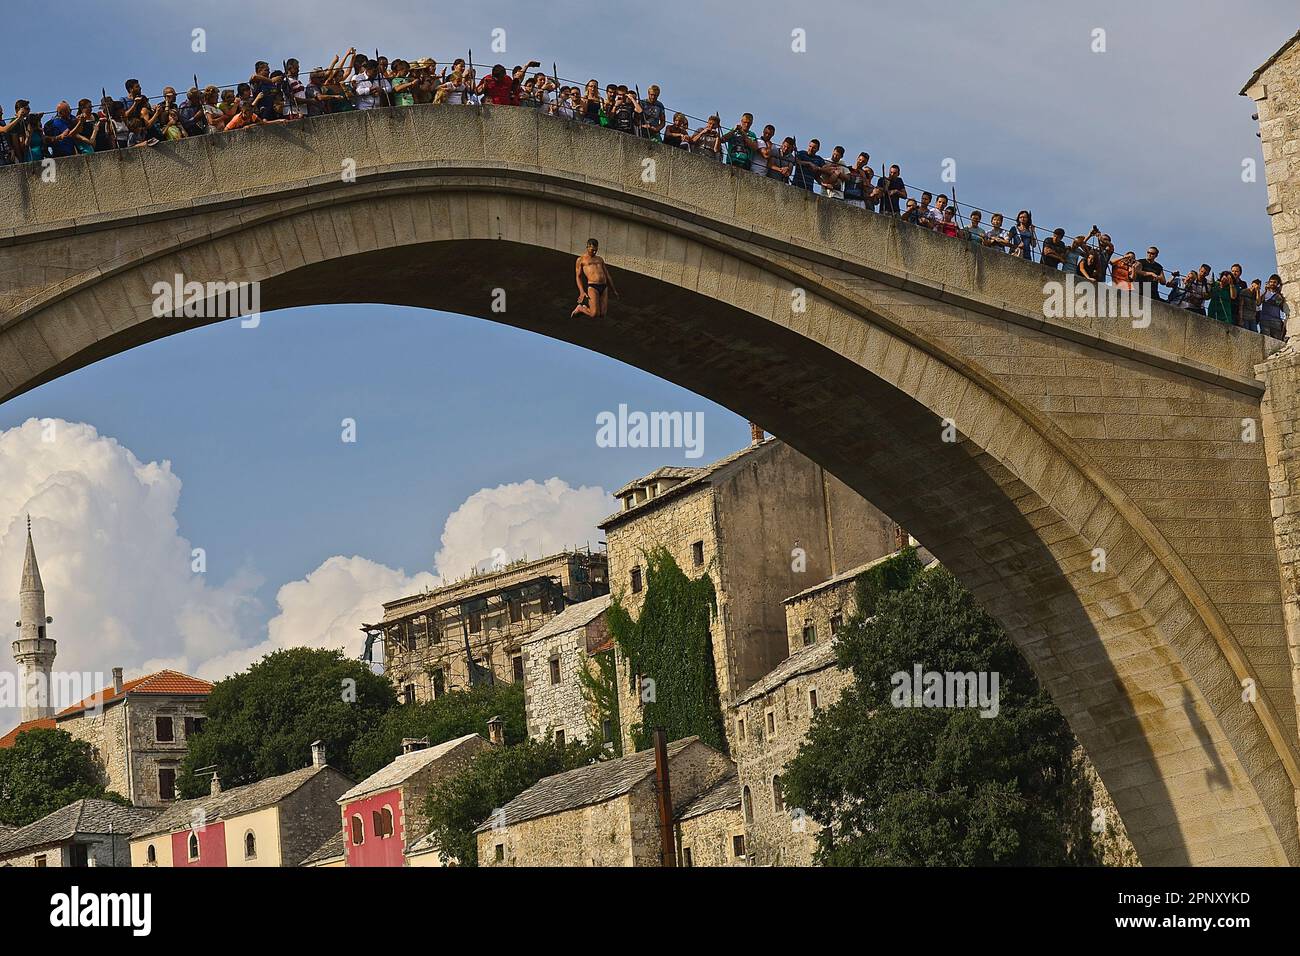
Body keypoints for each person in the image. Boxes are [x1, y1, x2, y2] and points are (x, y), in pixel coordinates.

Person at [572, 238, 619, 319]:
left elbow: (607, 275)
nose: (594, 252)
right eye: (592, 250)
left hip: (604, 287)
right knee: (594, 314)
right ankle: (580, 308)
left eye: (596, 250)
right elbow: (578, 276)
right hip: (593, 287)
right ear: (587, 247)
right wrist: (582, 292)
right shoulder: (581, 260)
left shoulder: (600, 259)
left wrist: (614, 290)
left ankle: (585, 309)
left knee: (602, 314)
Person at [1260, 275, 1288, 339]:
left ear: (1277, 284)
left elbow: (1279, 304)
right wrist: (1265, 290)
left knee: (1277, 342)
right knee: (1265, 339)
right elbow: (1259, 302)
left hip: (1276, 321)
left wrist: (1280, 289)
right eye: (1271, 282)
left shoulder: (1279, 295)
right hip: (1265, 319)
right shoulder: (1264, 292)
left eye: (1274, 282)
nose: (1272, 284)